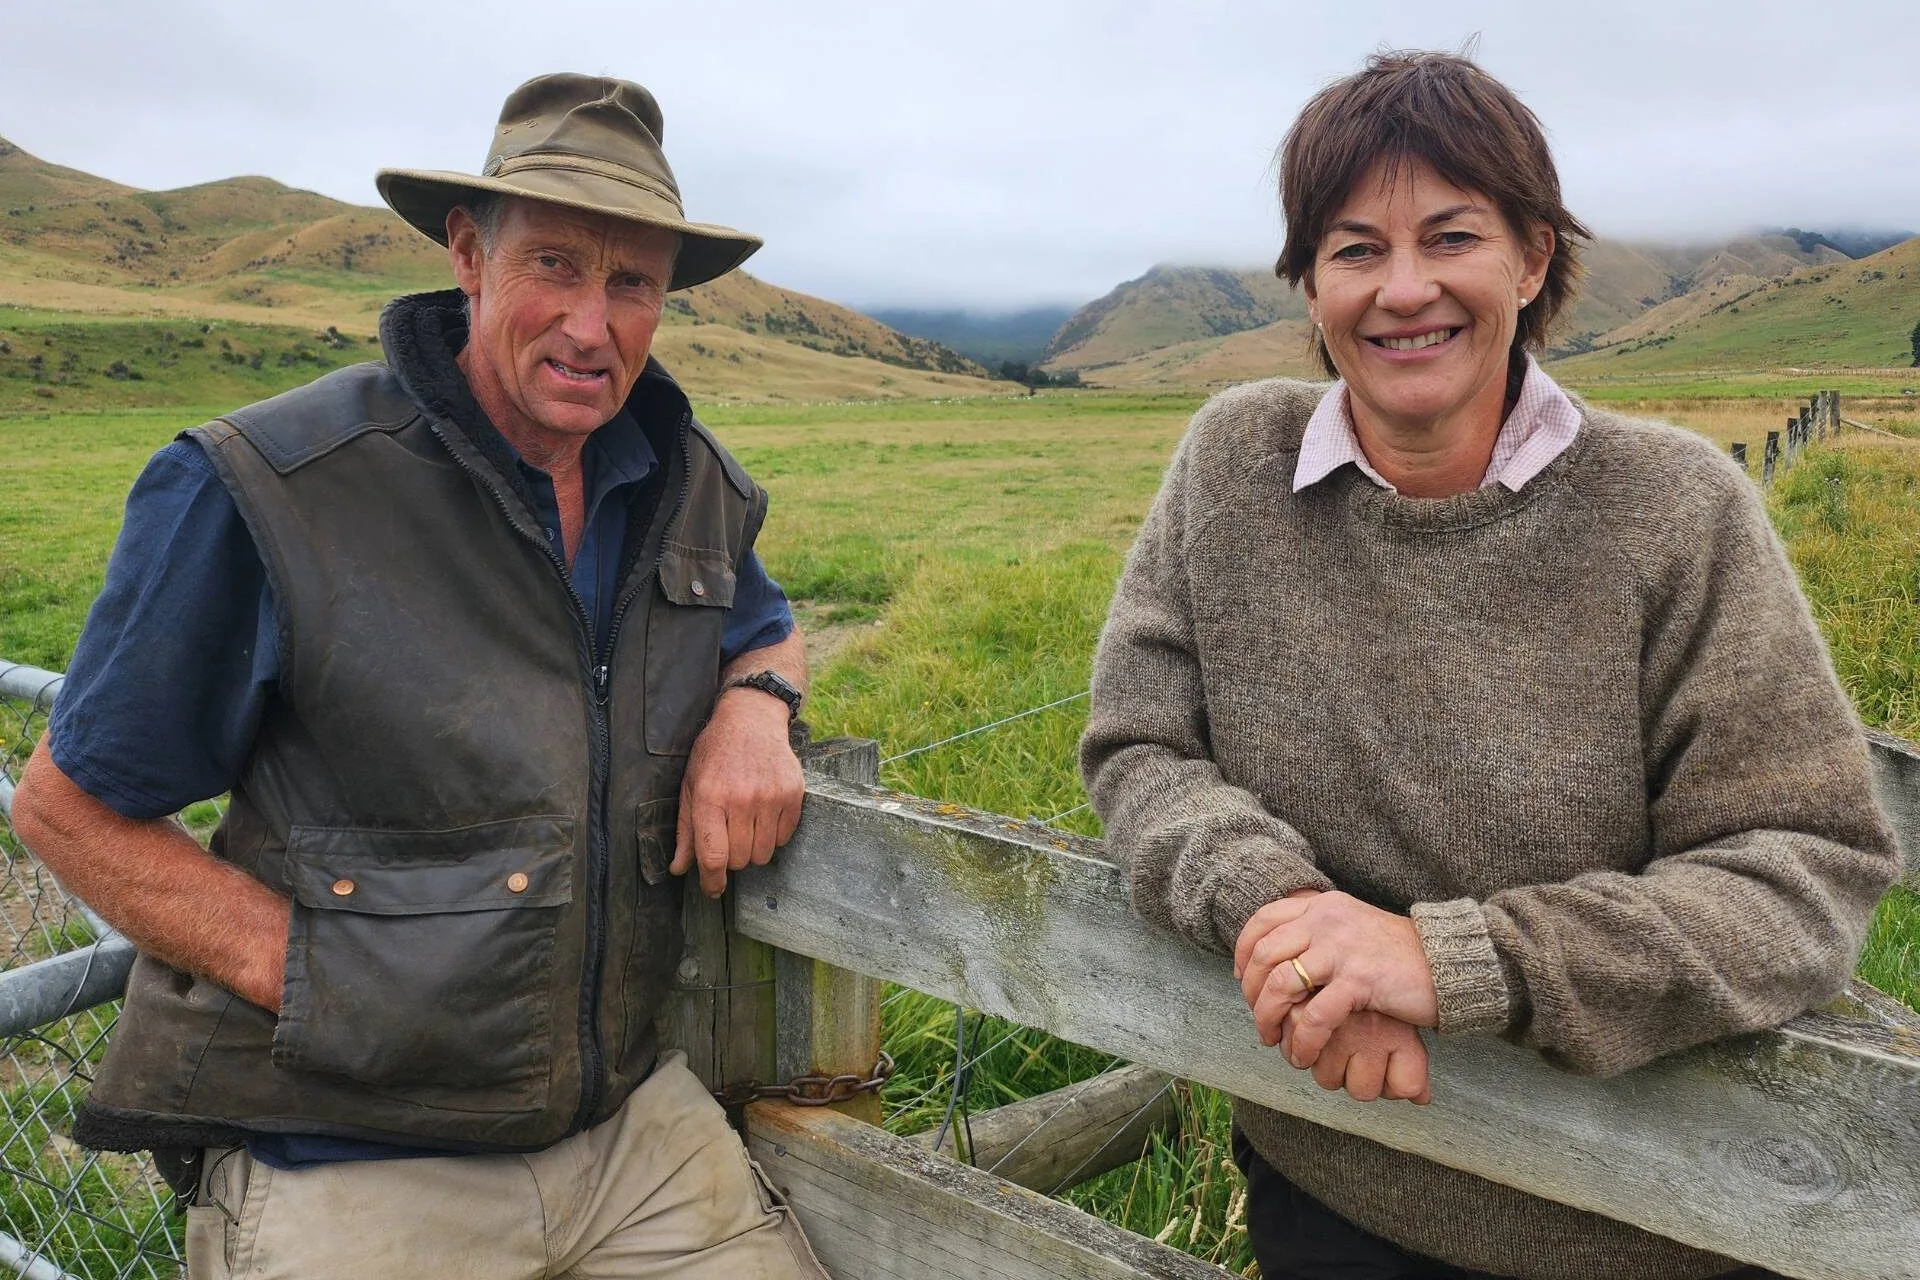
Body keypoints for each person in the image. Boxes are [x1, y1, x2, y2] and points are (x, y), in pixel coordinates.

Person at [1079, 51, 1898, 1280]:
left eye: (1450, 236)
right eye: (1355, 249)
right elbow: (1139, 743)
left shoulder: (1673, 510)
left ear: (1531, 260)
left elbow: (1804, 871)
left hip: (1643, 1222)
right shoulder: (1231, 465)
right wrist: (1285, 918)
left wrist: (1453, 959)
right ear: (1310, 285)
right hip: (1329, 1176)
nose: (1403, 289)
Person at [13, 74, 828, 1279]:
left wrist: (759, 706)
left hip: (632, 1140)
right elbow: (64, 806)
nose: (592, 325)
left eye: (632, 282)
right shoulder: (271, 487)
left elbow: (760, 619)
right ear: (468, 254)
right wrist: (316, 978)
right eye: (555, 263)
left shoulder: (682, 477)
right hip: (351, 1157)